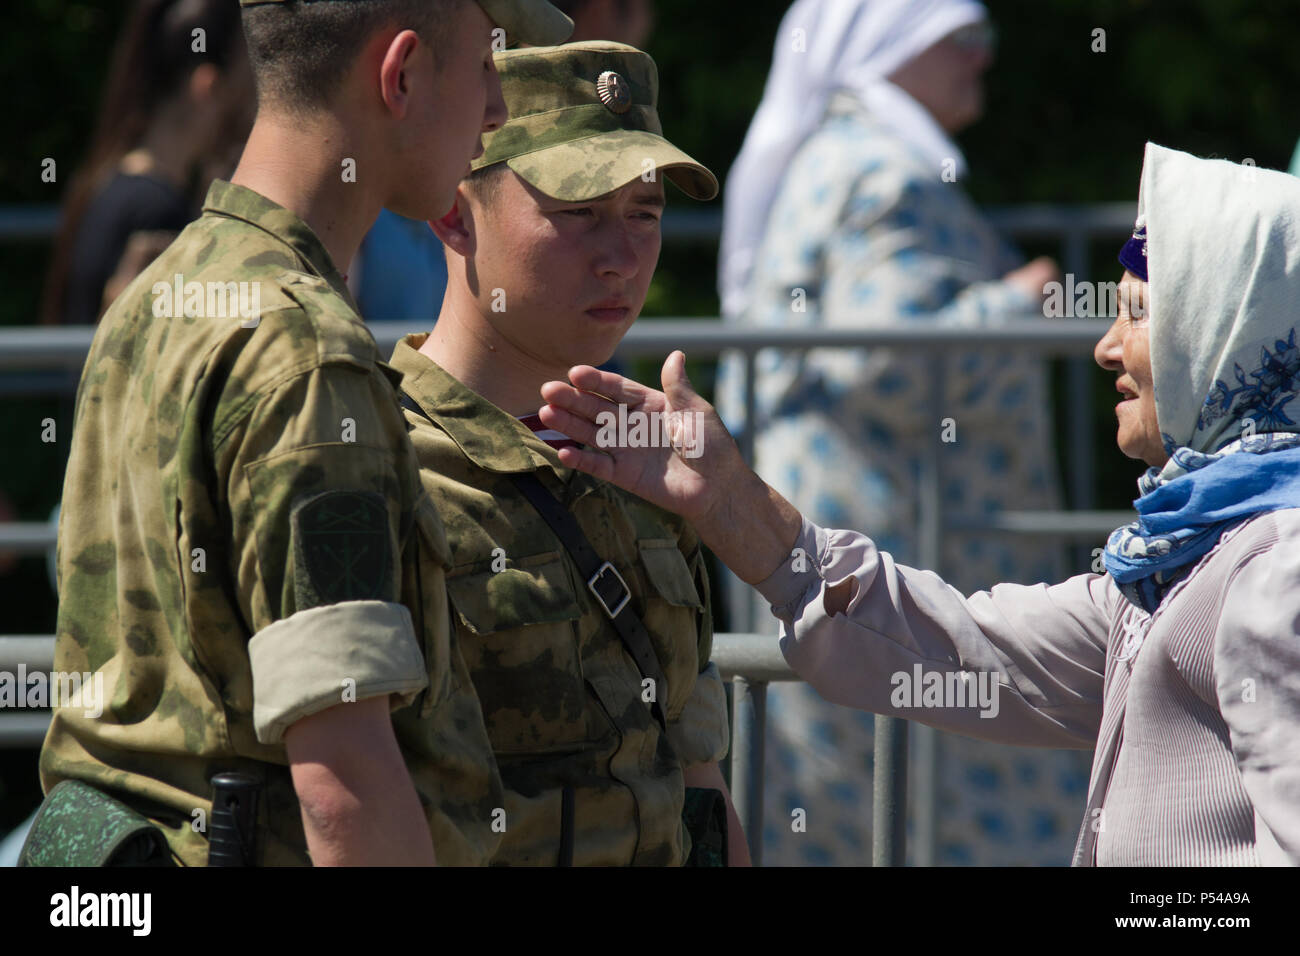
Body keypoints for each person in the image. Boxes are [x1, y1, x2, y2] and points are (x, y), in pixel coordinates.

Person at [540, 143, 1300, 865]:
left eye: (1138, 313)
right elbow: (967, 649)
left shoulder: (1273, 573)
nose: (1105, 346)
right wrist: (731, 502)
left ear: (1221, 335)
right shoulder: (1190, 557)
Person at [29, 0, 573, 868]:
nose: (499, 108)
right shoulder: (309, 355)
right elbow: (345, 778)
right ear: (401, 76)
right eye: (483, 68)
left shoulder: (162, 292)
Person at [714, 0, 1074, 865]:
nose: (983, 59)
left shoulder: (846, 159)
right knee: (927, 806)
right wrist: (1020, 308)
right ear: (897, 46)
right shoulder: (886, 175)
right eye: (968, 37)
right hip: (903, 554)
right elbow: (890, 360)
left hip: (860, 555)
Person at [394, 40, 745, 865]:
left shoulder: (648, 459)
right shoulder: (384, 461)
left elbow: (697, 780)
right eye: (578, 212)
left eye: (646, 212)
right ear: (453, 212)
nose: (622, 257)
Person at [41, 0, 254, 327]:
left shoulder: (111, 183)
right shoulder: (157, 211)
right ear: (207, 86)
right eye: (246, 87)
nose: (253, 108)